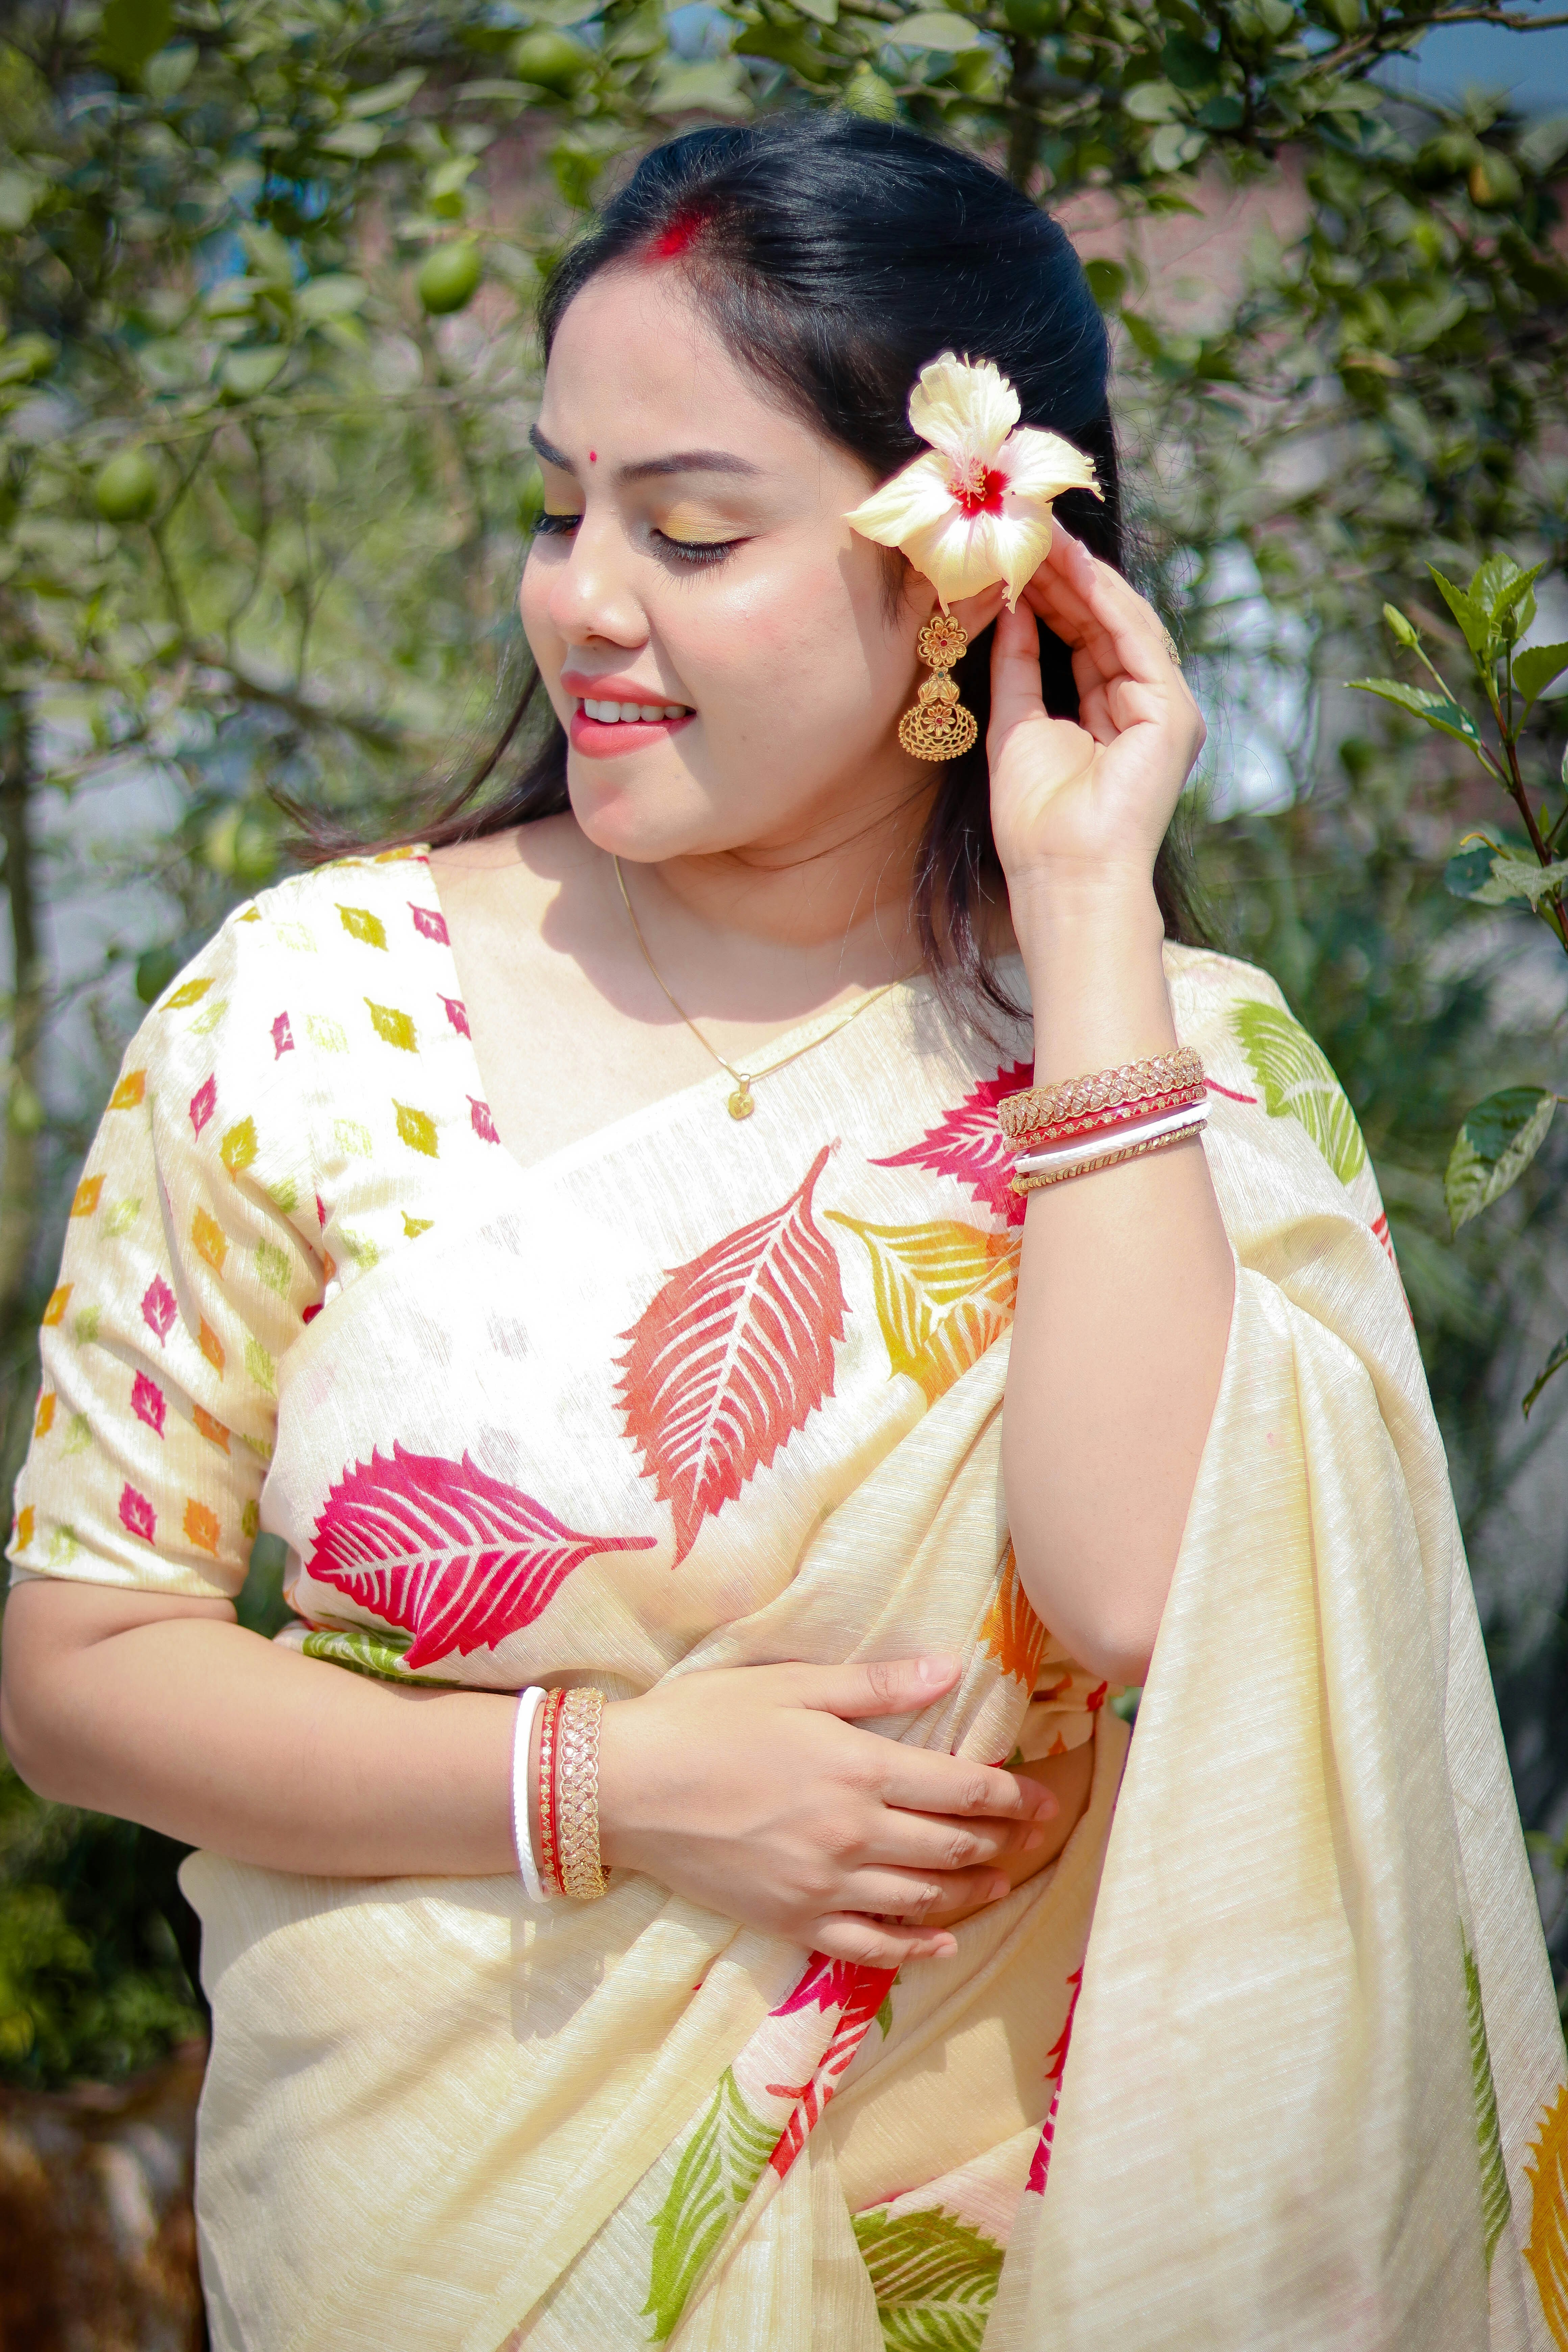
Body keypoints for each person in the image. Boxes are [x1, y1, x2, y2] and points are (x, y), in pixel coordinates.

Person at [1, 114, 1563, 2352]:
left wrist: (1090, 909)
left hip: (1005, 2243)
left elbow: (1149, 1592)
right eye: (559, 507)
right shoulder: (316, 1003)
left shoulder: (1161, 1051)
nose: (582, 599)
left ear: (968, 575)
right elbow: (78, 1674)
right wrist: (610, 1788)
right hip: (432, 2248)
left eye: (694, 527)